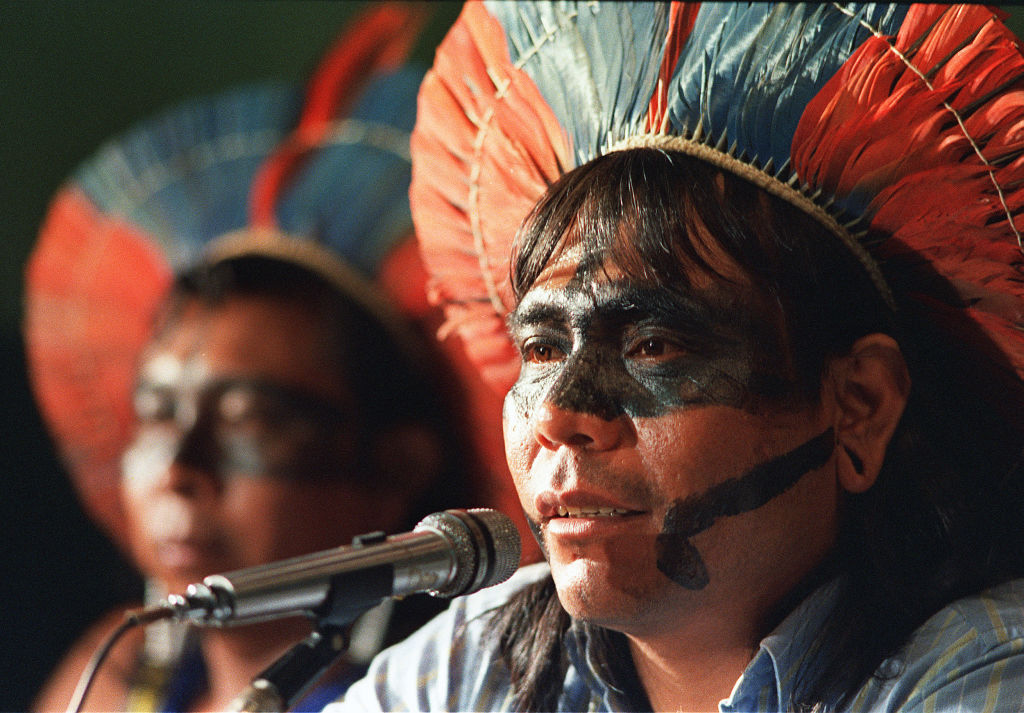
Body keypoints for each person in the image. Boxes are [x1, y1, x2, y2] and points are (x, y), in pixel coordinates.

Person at [327, 3, 1024, 711]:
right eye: (540, 348)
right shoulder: (471, 664)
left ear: (860, 403)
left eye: (654, 345)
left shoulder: (981, 669)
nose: (559, 416)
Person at [25, 5, 520, 711]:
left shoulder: (449, 691)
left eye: (249, 419)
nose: (179, 468)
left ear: (397, 465)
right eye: (157, 412)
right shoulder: (116, 675)